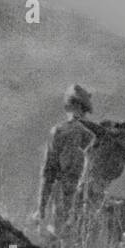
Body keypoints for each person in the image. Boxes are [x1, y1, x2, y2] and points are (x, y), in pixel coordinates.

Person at [33, 84, 96, 239]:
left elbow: (49, 171)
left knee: (60, 241)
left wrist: (41, 207)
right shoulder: (94, 134)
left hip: (65, 194)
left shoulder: (60, 131)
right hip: (90, 197)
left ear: (69, 105)